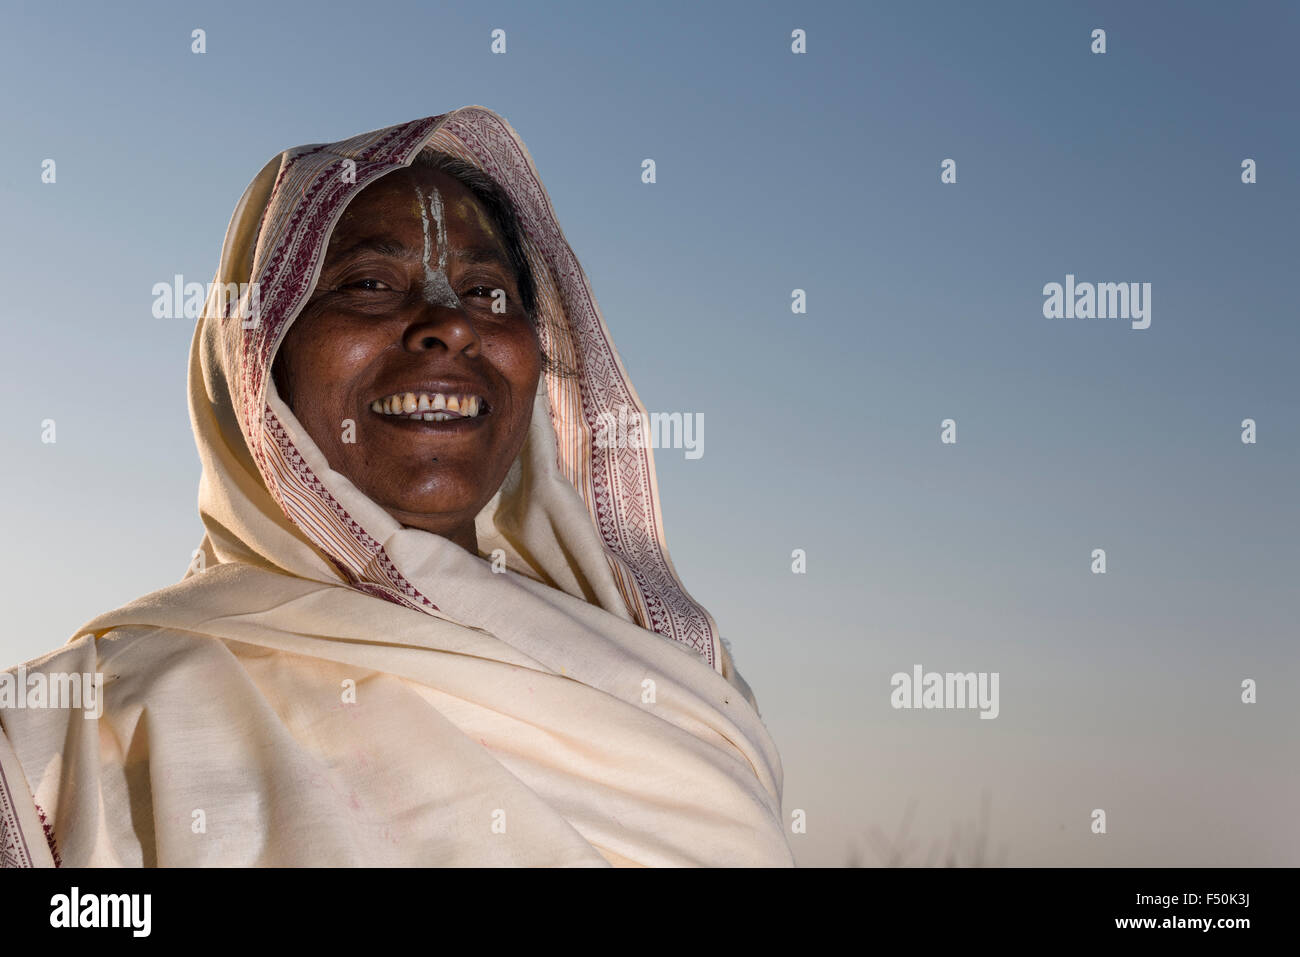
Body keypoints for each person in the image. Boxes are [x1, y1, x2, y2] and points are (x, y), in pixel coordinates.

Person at [0, 107, 794, 867]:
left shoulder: (677, 690)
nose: (449, 322)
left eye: (488, 294)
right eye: (370, 284)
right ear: (254, 361)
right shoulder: (76, 732)